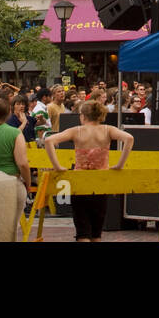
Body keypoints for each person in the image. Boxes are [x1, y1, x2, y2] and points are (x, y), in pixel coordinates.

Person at [41, 100, 133, 242]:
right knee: (97, 232)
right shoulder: (108, 130)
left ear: (83, 116)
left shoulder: (76, 131)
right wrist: (120, 164)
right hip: (101, 182)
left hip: (80, 182)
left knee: (82, 230)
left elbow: (49, 141)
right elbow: (129, 138)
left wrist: (58, 166)